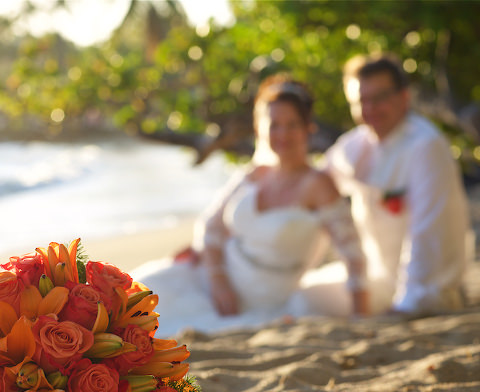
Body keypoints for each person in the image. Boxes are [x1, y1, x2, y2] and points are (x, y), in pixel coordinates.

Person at [131, 74, 369, 337]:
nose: (282, 134)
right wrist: (217, 279)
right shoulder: (252, 174)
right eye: (274, 124)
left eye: (292, 124)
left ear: (307, 128)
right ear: (259, 127)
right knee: (139, 293)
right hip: (210, 279)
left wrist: (361, 315)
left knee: (160, 331)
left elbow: (353, 254)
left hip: (264, 299)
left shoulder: (318, 185)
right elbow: (212, 226)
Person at [324, 54, 472, 315]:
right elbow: (318, 183)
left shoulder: (425, 145)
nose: (370, 108)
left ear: (404, 97)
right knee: (298, 298)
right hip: (377, 278)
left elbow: (427, 231)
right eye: (361, 101)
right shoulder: (356, 144)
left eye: (379, 98)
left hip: (427, 289)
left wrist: (406, 303)